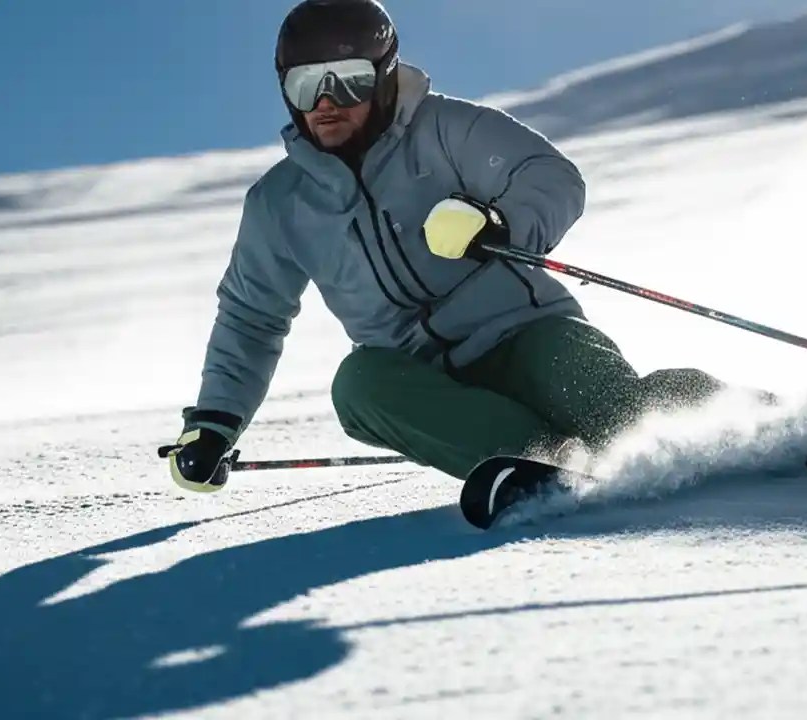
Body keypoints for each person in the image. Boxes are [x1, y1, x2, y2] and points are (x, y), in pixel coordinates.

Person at [166, 0, 723, 493]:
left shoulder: (443, 129)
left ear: (383, 78)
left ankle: (741, 424)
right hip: (421, 378)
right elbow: (251, 319)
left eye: (348, 80)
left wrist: (499, 223)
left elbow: (549, 176)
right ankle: (543, 468)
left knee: (616, 414)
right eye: (306, 85)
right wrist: (215, 423)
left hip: (527, 333)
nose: (326, 102)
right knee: (359, 387)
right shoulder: (279, 203)